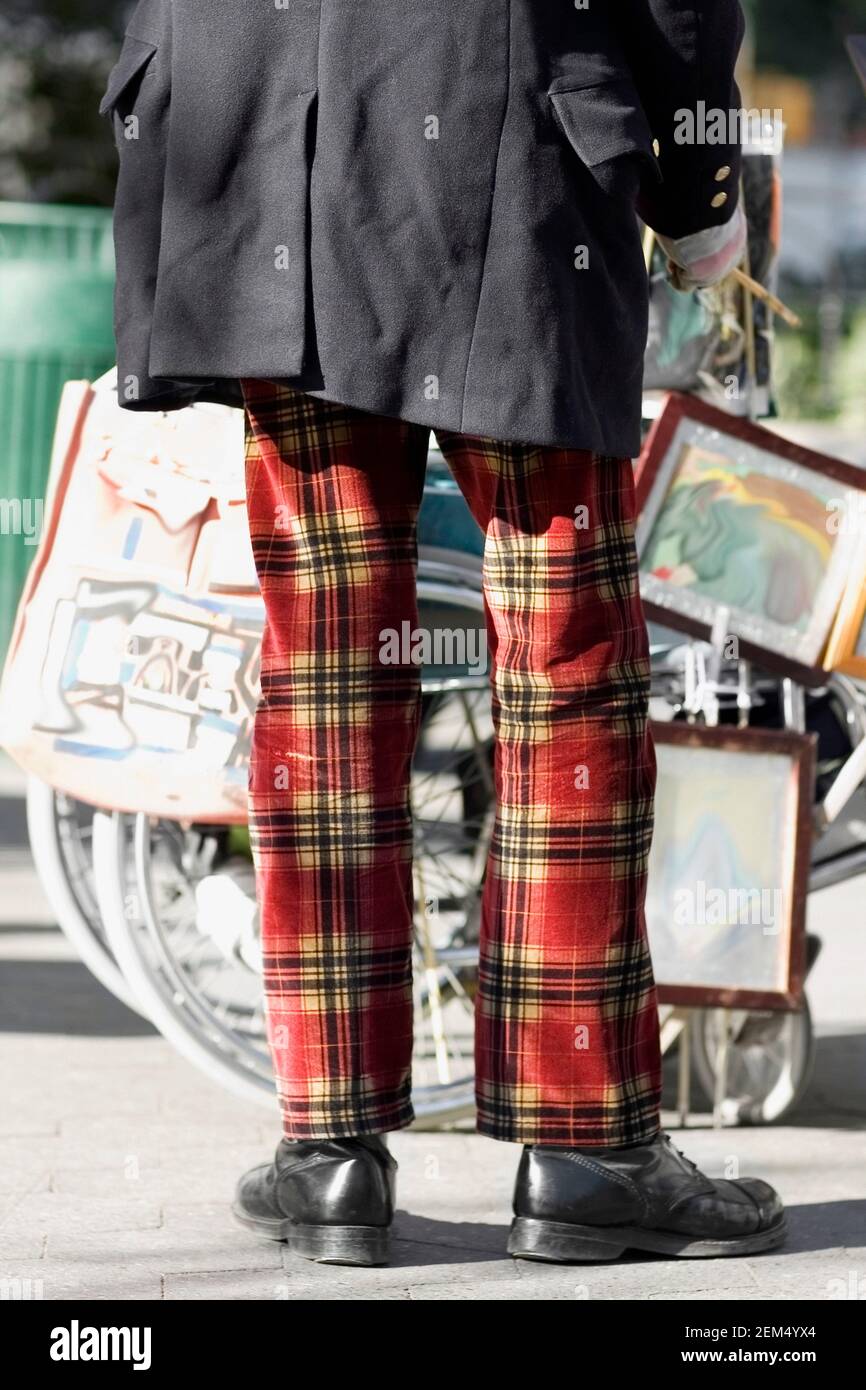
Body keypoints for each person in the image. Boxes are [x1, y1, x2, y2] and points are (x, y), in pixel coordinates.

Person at [100, 0, 782, 1267]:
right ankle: (586, 1149)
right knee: (565, 667)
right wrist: (700, 197)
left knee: (325, 664)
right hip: (503, 143)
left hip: (264, 149)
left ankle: (330, 1150)